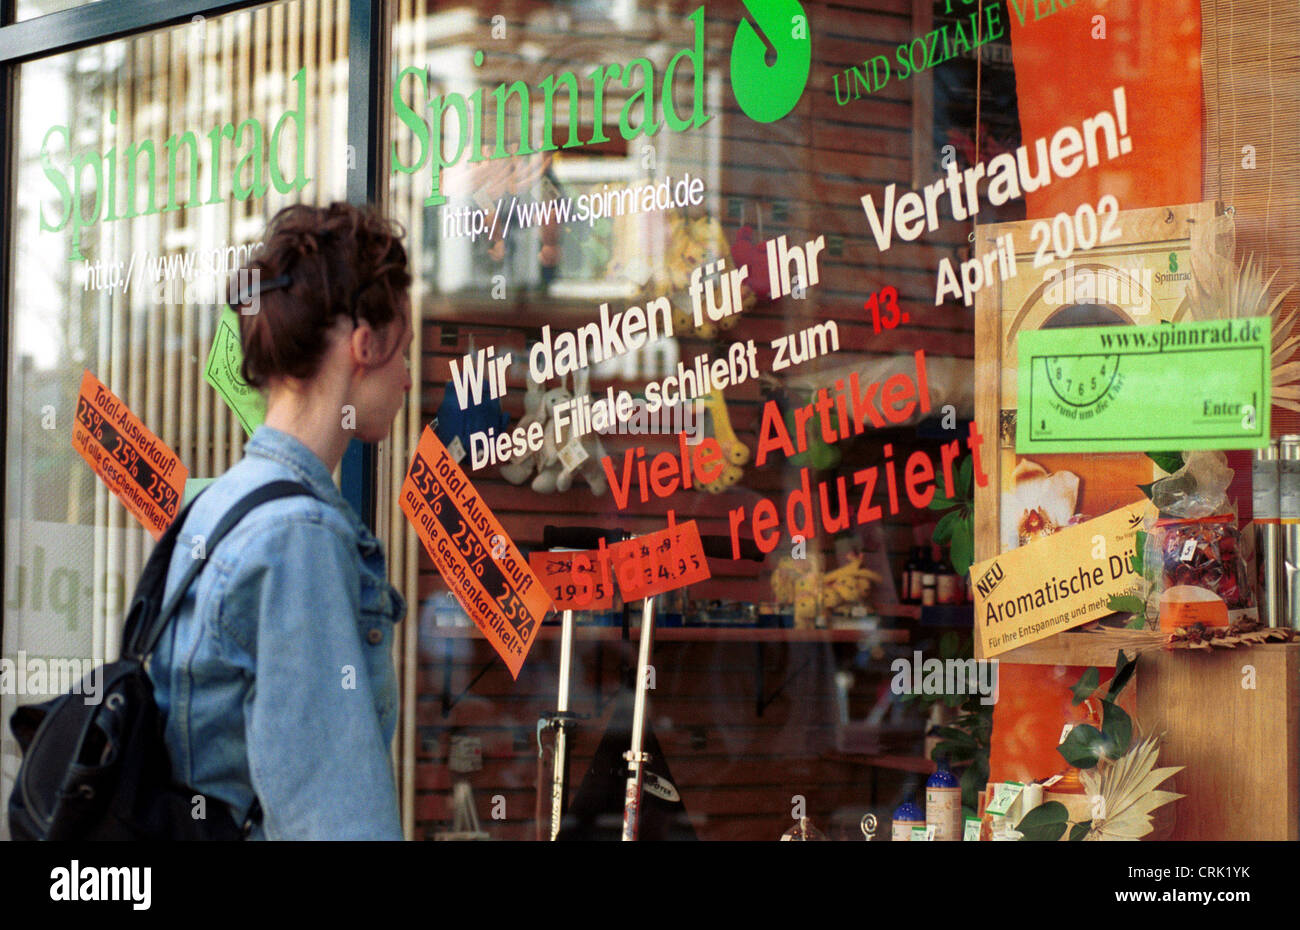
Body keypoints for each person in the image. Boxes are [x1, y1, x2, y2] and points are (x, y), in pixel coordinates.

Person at [148, 202, 413, 839]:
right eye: (404, 349)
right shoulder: (298, 535)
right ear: (365, 345)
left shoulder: (218, 506)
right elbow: (334, 818)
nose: (408, 378)